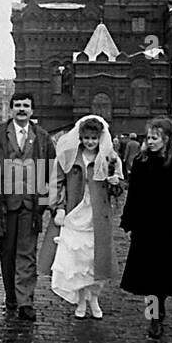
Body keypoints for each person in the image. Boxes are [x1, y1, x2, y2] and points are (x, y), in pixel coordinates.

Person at [0, 91, 57, 322]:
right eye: (18, 105)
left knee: (27, 253)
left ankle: (26, 301)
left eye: (26, 106)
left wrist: (43, 205)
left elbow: (51, 173)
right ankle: (11, 295)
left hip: (30, 206)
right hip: (5, 205)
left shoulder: (42, 138)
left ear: (32, 110)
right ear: (11, 109)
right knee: (7, 252)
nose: (22, 109)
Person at [39, 115, 123, 320]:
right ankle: (82, 299)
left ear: (100, 138)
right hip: (74, 211)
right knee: (77, 259)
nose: (90, 142)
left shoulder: (110, 158)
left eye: (94, 138)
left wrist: (114, 181)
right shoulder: (69, 156)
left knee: (94, 259)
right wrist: (57, 208)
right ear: (80, 138)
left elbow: (118, 189)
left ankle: (93, 297)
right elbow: (56, 183)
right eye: (86, 138)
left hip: (97, 214)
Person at [120, 117, 172, 339]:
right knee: (150, 276)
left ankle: (160, 303)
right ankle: (153, 317)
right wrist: (128, 221)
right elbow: (134, 195)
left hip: (170, 227)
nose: (150, 142)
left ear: (167, 139)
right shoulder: (141, 163)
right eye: (148, 137)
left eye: (155, 138)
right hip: (146, 227)